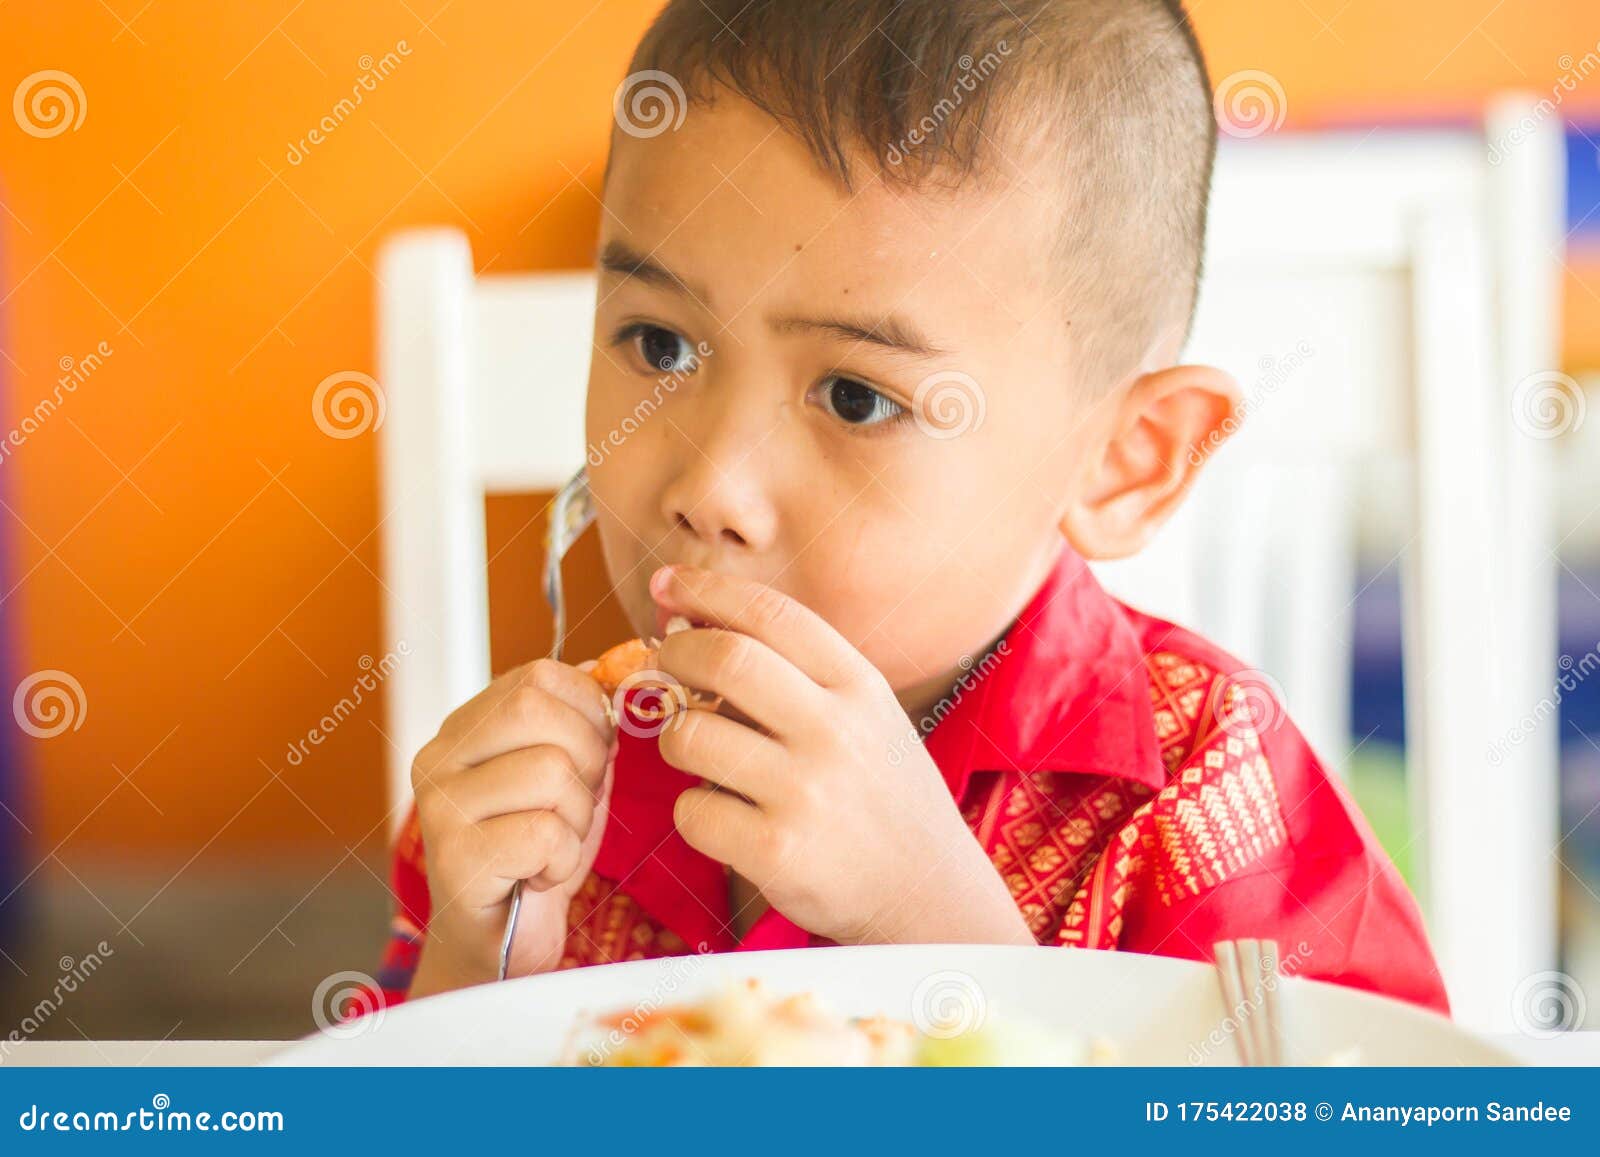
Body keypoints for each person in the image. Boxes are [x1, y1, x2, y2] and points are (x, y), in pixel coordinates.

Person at [372, 0, 1448, 1017]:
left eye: (856, 397)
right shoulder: (541, 795)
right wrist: (474, 975)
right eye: (659, 344)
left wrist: (945, 938)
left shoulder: (1210, 793)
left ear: (1126, 461)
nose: (709, 488)